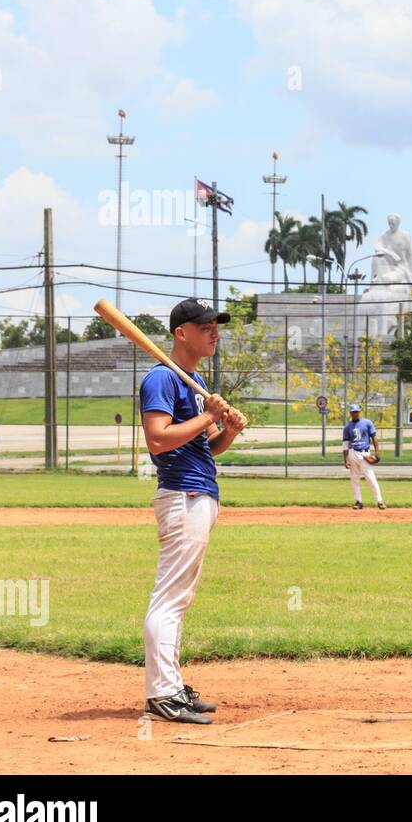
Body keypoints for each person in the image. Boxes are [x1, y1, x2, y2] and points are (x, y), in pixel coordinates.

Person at [139, 298, 247, 725]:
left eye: (215, 325)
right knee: (169, 599)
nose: (214, 331)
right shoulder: (162, 378)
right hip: (183, 497)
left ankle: (171, 685)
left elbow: (205, 448)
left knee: (179, 599)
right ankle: (162, 694)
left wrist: (228, 432)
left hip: (198, 492)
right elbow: (158, 440)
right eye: (205, 326)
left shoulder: (192, 379)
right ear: (181, 333)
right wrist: (207, 417)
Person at [343, 403, 385, 510]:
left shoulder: (367, 423)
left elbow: (374, 438)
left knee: (370, 477)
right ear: (350, 413)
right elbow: (345, 445)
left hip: (365, 453)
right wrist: (346, 459)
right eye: (353, 412)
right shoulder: (347, 427)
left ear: (359, 412)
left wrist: (377, 452)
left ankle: (379, 501)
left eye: (356, 412)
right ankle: (358, 501)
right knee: (354, 479)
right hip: (353, 453)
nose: (355, 414)